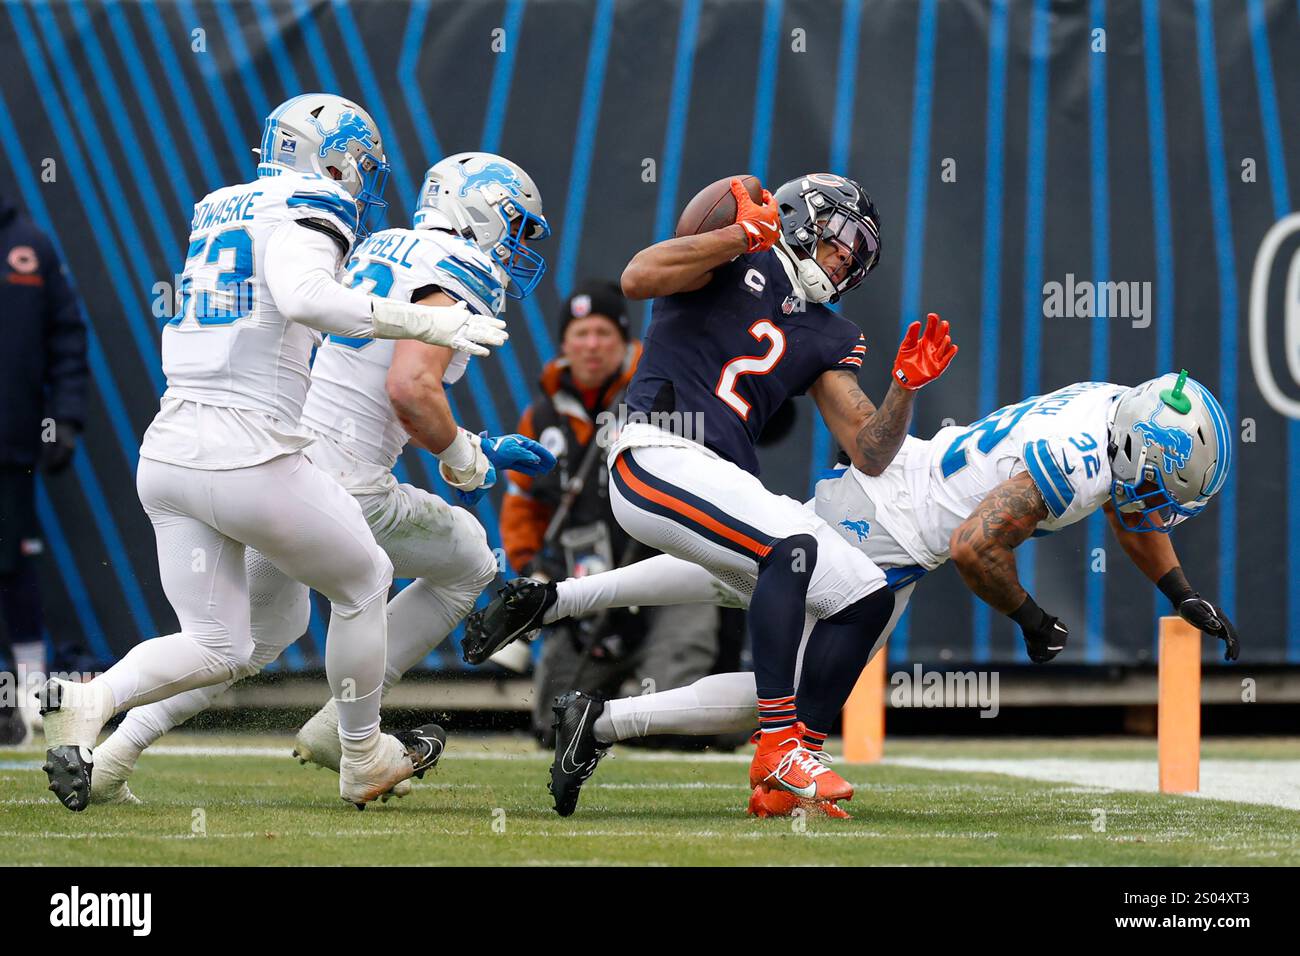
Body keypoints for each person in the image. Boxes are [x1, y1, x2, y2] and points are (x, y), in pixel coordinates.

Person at [471, 372, 1239, 817]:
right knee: (799, 686)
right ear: (1138, 448)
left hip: (900, 489)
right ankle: (601, 720)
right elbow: (977, 547)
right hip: (897, 532)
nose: (1162, 503)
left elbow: (1133, 512)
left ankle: (558, 604)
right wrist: (1032, 619)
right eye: (1165, 481)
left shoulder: (1113, 409)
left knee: (749, 575)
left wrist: (1180, 590)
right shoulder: (1077, 462)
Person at [38, 95, 510, 812]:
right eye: (357, 163)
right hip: (252, 452)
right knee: (366, 581)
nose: (361, 180)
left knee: (228, 642)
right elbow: (312, 303)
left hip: (168, 450)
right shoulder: (321, 207)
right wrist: (426, 324)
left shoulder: (221, 204)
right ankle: (357, 751)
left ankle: (95, 713)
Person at [571, 173, 955, 806]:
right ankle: (776, 745)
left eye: (859, 257)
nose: (847, 260)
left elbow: (871, 450)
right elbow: (638, 278)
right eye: (843, 242)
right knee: (794, 546)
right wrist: (735, 235)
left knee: (863, 596)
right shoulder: (734, 252)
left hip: (720, 476)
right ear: (806, 216)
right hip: (655, 449)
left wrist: (905, 390)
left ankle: (794, 764)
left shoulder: (830, 332)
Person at [493, 281, 721, 745]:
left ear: (624, 340)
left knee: (672, 726)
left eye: (603, 332)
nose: (592, 345)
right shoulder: (540, 418)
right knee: (553, 727)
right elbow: (522, 505)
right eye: (580, 334)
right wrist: (533, 572)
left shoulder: (664, 393)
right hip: (593, 587)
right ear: (564, 344)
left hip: (671, 577)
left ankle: (705, 718)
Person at [0, 191, 88, 745]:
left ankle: (30, 695)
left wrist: (67, 418)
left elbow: (67, 335)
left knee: (13, 561)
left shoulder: (29, 244)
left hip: (9, 439)